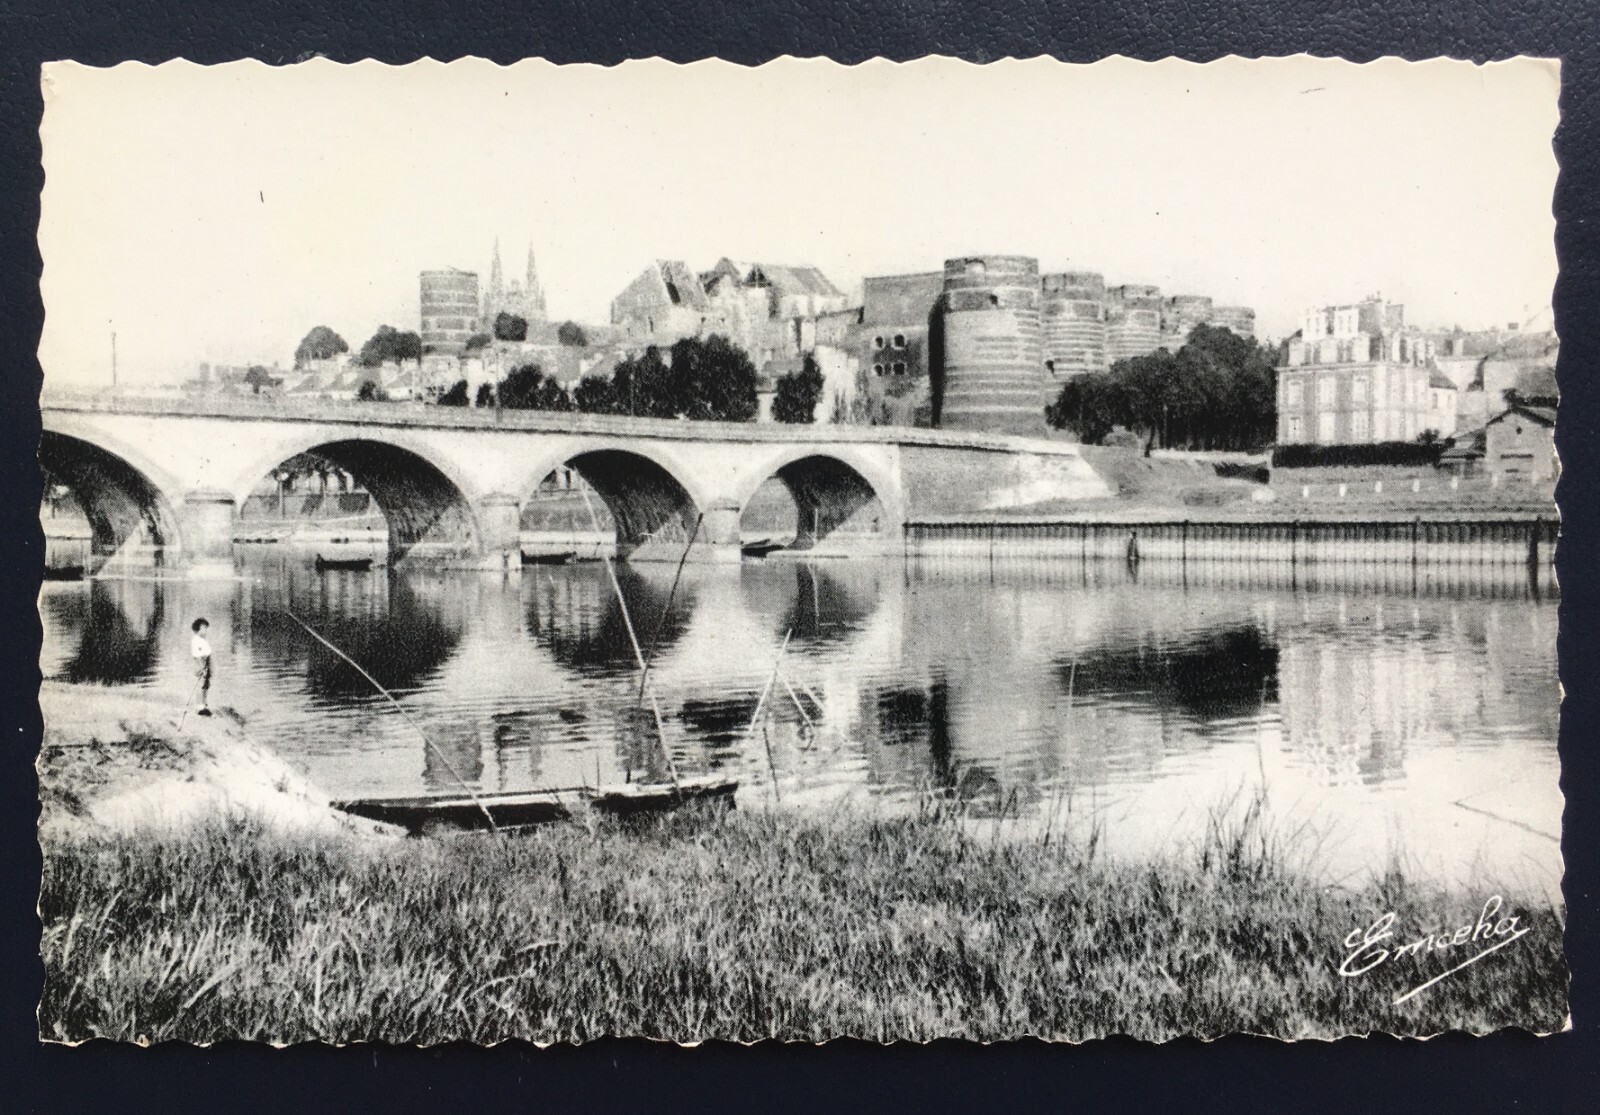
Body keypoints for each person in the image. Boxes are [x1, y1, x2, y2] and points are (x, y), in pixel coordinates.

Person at [190, 617, 213, 717]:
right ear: (198, 629)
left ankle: (204, 704)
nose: (205, 630)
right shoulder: (196, 640)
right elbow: (197, 655)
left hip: (206, 663)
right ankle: (200, 707)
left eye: (206, 628)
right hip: (200, 664)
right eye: (203, 628)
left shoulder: (203, 640)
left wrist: (208, 667)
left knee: (205, 685)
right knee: (200, 685)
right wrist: (202, 668)